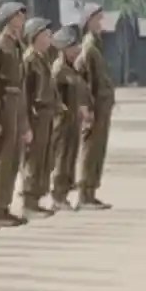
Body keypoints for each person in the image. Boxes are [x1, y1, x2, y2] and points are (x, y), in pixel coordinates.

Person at [0, 2, 32, 228]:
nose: (22, 18)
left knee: (14, 158)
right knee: (3, 159)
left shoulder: (17, 46)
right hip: (4, 103)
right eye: (18, 14)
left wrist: (24, 122)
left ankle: (5, 205)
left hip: (16, 103)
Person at [75, 3, 115, 210]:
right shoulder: (88, 46)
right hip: (95, 107)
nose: (101, 23)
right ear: (89, 21)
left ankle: (91, 191)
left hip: (102, 105)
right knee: (90, 149)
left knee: (98, 149)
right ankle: (84, 193)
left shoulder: (97, 45)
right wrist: (86, 107)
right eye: (98, 18)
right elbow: (82, 78)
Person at [49, 25, 92, 211]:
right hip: (61, 121)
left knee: (70, 157)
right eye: (73, 47)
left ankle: (64, 194)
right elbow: (79, 85)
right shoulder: (60, 69)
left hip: (72, 119)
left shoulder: (70, 67)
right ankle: (58, 195)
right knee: (61, 158)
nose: (76, 51)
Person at [20, 17, 59, 218]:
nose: (49, 38)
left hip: (46, 115)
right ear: (34, 36)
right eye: (44, 34)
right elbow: (25, 94)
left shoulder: (43, 59)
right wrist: (25, 123)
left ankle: (36, 198)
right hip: (35, 116)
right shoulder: (29, 60)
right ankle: (29, 202)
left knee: (44, 159)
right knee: (33, 159)